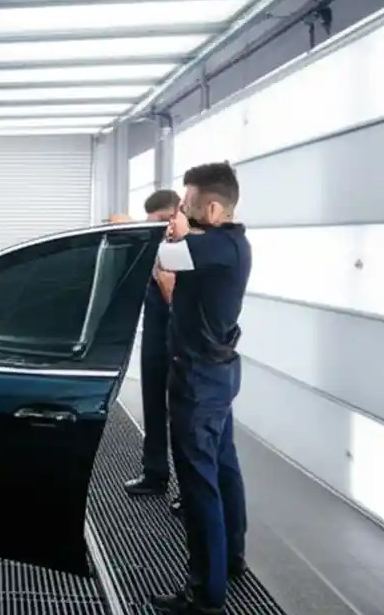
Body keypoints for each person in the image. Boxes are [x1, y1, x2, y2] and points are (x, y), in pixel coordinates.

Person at [151, 162, 252, 615]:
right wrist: (179, 231)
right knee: (224, 467)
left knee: (198, 485)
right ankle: (230, 559)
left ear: (213, 208)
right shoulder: (227, 245)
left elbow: (161, 262)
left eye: (188, 206)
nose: (182, 213)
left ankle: (205, 595)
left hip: (198, 381)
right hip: (217, 374)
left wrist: (168, 232)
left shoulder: (217, 246)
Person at [123, 190, 181, 509]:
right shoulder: (160, 247)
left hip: (179, 341)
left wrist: (157, 263)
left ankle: (188, 491)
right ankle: (155, 473)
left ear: (175, 216)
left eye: (161, 222)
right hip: (155, 337)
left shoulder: (183, 250)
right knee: (153, 407)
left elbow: (171, 291)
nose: (158, 229)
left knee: (183, 418)